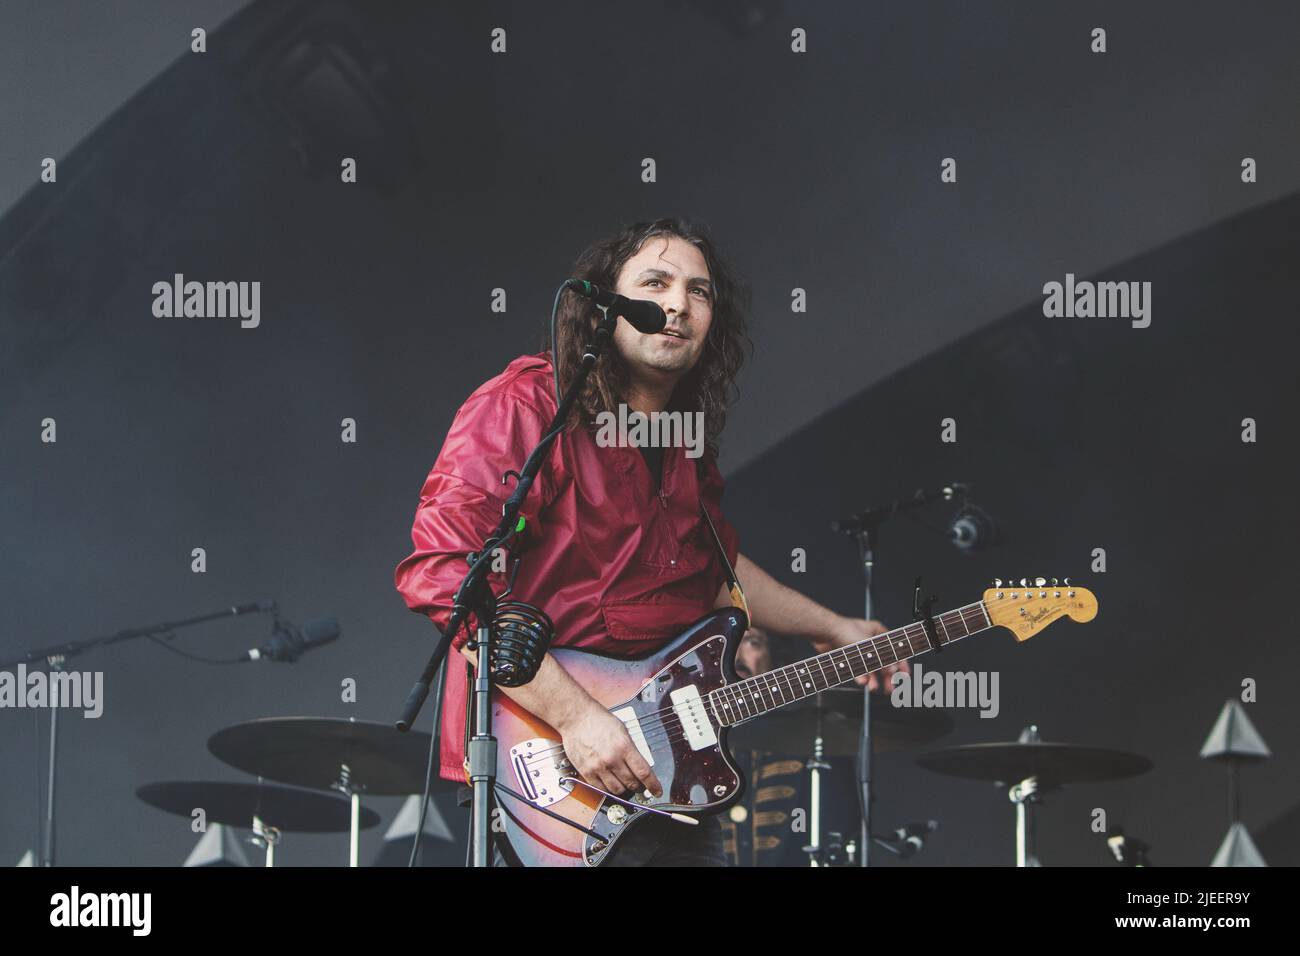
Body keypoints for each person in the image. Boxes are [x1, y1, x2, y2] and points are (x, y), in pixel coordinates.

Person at [394, 217, 906, 865]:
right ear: (604, 306)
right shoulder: (529, 405)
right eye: (656, 282)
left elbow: (714, 573)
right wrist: (577, 718)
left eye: (700, 292)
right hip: (555, 763)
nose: (677, 305)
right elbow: (445, 575)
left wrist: (831, 626)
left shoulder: (686, 443)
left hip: (672, 764)